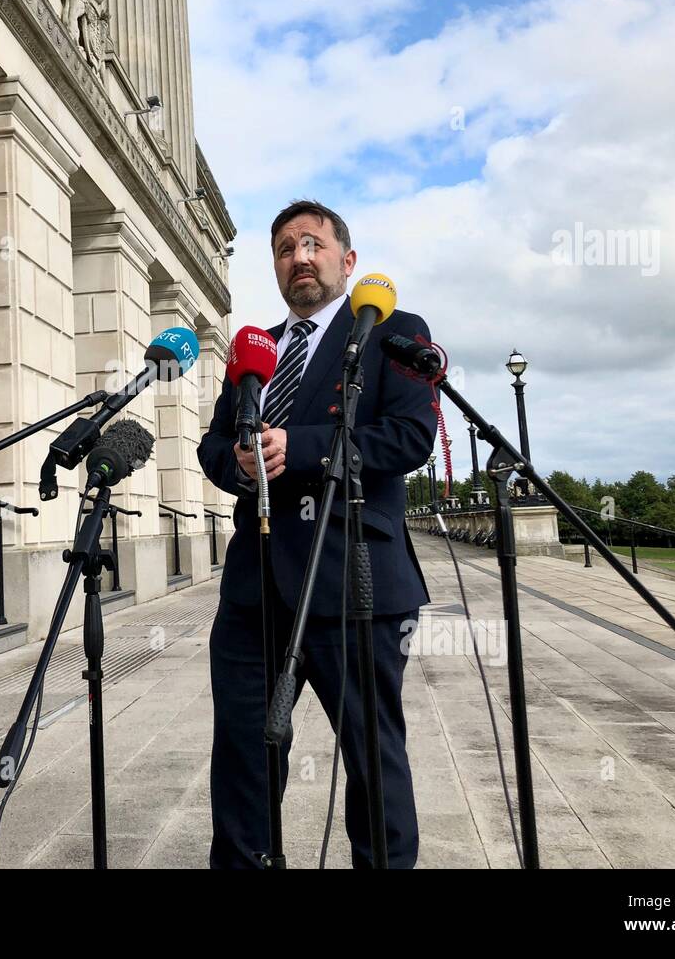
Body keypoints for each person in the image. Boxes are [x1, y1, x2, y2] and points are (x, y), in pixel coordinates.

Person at [197, 200, 437, 868]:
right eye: (283, 248)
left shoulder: (392, 330)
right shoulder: (255, 349)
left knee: (373, 762)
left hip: (354, 586)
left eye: (313, 243)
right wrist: (241, 462)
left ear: (346, 260)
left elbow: (410, 436)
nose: (299, 256)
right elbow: (212, 446)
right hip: (255, 594)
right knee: (243, 763)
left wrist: (295, 448)